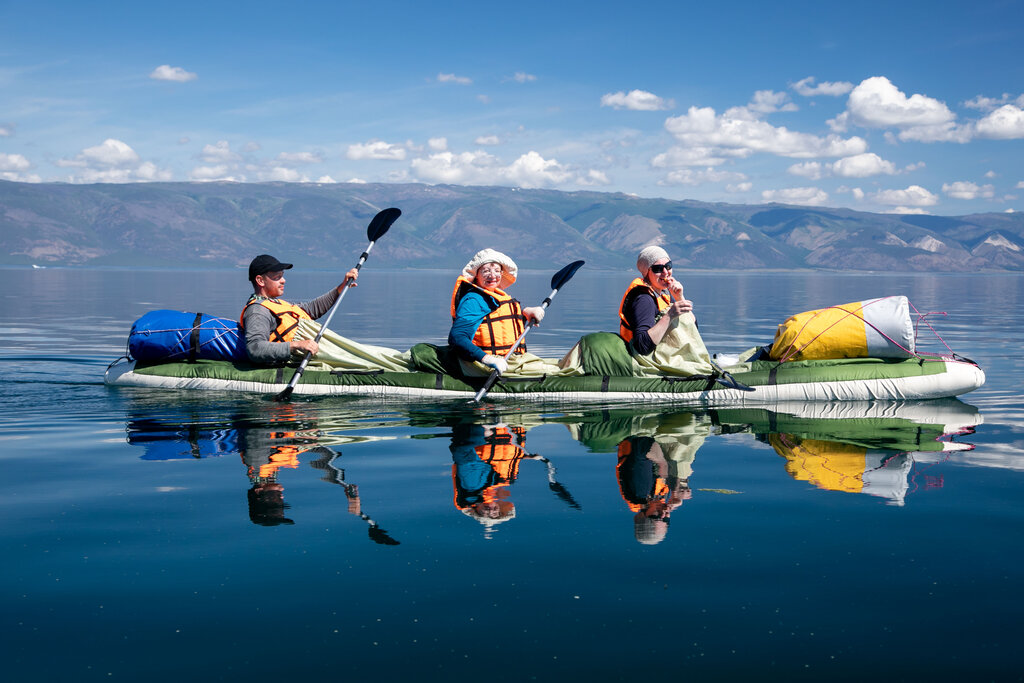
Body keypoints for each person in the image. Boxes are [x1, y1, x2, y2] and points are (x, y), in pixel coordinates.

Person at [239, 254, 358, 364]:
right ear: (260, 280)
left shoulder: (277, 304)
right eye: (277, 277)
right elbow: (255, 349)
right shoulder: (257, 311)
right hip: (292, 362)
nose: (283, 280)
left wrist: (341, 288)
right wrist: (296, 345)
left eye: (282, 276)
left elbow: (311, 309)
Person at [617, 245, 713, 376]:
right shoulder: (644, 299)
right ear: (646, 272)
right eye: (657, 269)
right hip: (646, 360)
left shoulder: (663, 294)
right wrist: (670, 315)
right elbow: (642, 346)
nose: (665, 272)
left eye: (668, 266)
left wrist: (679, 297)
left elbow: (692, 328)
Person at [448, 249, 544, 376]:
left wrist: (525, 314)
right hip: (483, 364)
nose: (492, 275)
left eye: (497, 271)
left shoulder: (495, 296)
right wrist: (488, 359)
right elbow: (457, 337)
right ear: (477, 275)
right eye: (486, 271)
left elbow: (499, 324)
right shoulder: (473, 300)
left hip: (510, 359)